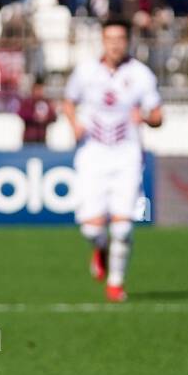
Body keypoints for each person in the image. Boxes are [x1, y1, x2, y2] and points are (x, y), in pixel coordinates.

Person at [61, 17, 163, 303]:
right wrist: (73, 124)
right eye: (110, 39)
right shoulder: (86, 71)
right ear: (102, 41)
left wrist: (142, 116)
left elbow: (158, 116)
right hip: (93, 153)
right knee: (91, 228)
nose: (115, 44)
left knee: (123, 225)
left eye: (120, 39)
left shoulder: (141, 75)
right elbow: (68, 101)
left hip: (127, 154)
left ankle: (116, 283)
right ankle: (100, 248)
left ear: (128, 41)